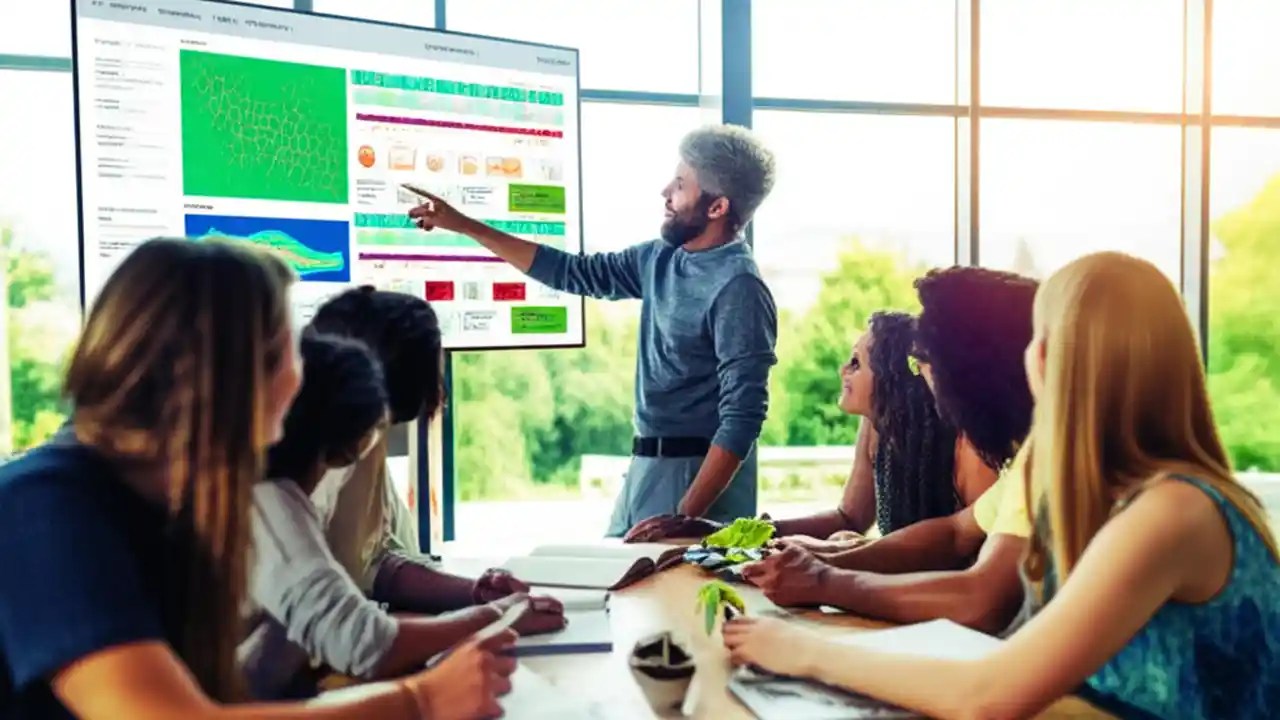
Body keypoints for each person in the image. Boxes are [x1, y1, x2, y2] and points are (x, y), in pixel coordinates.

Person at [725, 252, 1280, 719]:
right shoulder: (1127, 489)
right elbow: (959, 535)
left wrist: (802, 650)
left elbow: (986, 696)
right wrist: (829, 567)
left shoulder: (1170, 512)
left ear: (1046, 355)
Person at [0, 239, 514, 720]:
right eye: (289, 348)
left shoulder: (176, 509)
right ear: (225, 372)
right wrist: (419, 700)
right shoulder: (44, 507)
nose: (303, 373)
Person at [407, 124, 779, 537]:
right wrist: (465, 225)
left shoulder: (739, 288)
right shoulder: (660, 258)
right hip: (648, 466)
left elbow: (743, 417)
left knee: (653, 578)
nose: (664, 193)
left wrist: (685, 514)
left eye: (679, 185)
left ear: (717, 207)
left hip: (695, 477)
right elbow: (572, 272)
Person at [242, 333, 558, 700]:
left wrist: (477, 596)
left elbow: (371, 563)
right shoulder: (270, 503)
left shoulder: (282, 499)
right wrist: (499, 616)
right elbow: (366, 644)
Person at [746, 267, 1038, 633]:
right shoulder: (1032, 453)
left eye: (925, 362)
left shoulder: (1046, 456)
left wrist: (826, 581)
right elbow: (953, 533)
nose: (928, 383)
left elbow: (982, 599)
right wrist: (823, 562)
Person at [305, 286, 564, 624]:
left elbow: (373, 562)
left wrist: (476, 594)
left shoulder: (365, 440)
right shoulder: (307, 471)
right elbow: (343, 629)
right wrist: (490, 617)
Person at [626, 311, 995, 543]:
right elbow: (850, 517)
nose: (843, 370)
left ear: (892, 379)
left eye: (856, 363)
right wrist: (737, 533)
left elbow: (976, 555)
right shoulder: (876, 429)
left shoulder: (964, 446)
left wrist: (840, 562)